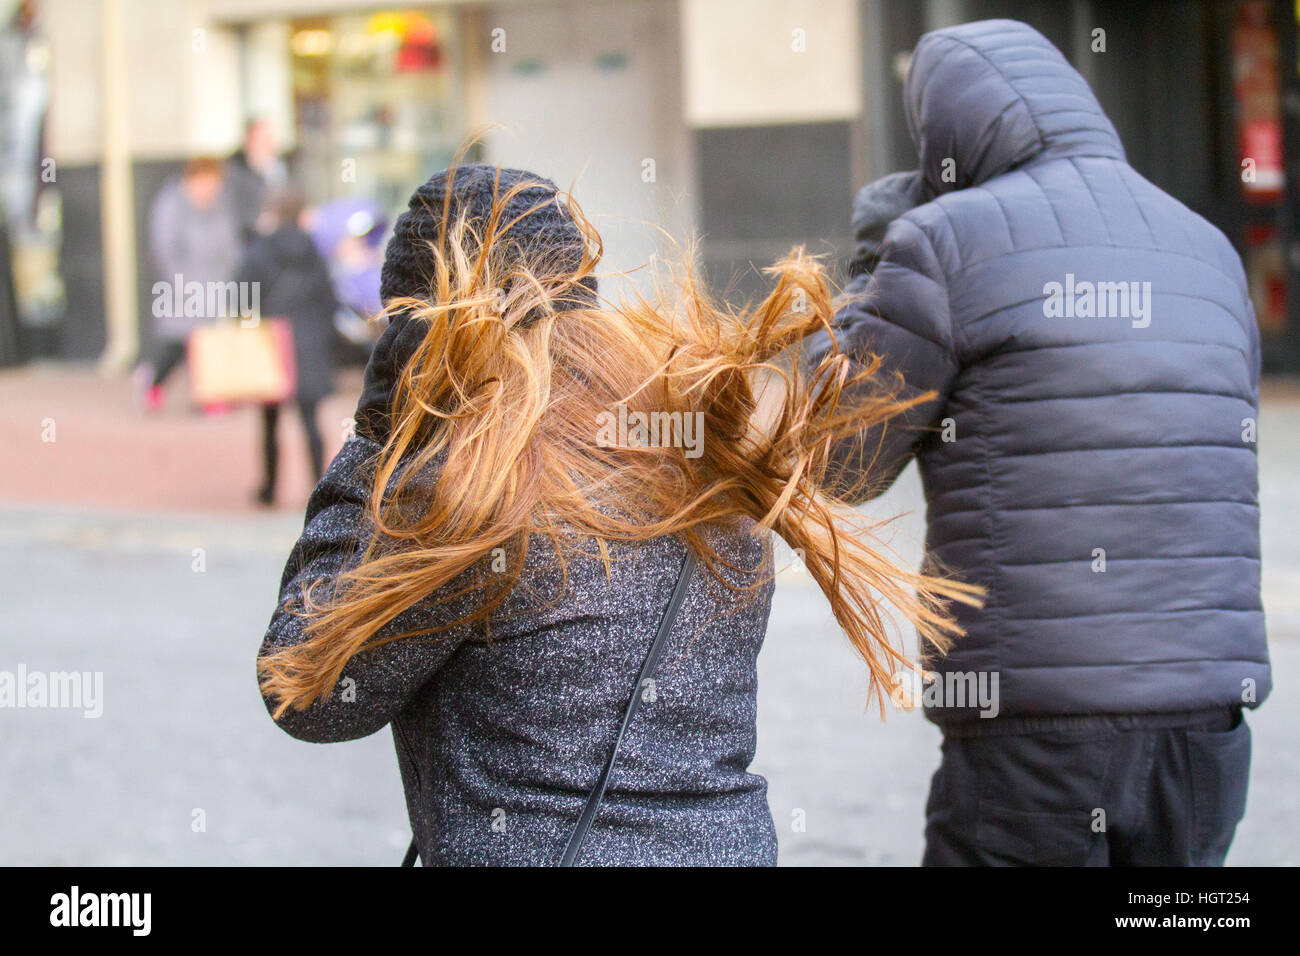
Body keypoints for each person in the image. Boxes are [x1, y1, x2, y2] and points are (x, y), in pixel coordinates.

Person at [255, 162, 978, 866]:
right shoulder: (701, 447)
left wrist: (376, 441)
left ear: (427, 335)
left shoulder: (472, 488)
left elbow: (310, 694)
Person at [806, 19, 1269, 866]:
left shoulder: (945, 243)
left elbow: (842, 458)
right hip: (1208, 722)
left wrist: (867, 280)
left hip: (1036, 728)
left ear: (946, 133)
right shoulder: (1209, 248)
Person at [237, 186, 337, 505]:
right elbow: (330, 301)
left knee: (269, 422)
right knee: (311, 421)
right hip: (308, 343)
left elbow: (242, 297)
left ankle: (269, 489)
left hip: (271, 343)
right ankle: (319, 488)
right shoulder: (314, 251)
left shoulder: (260, 249)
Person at [137, 156, 240, 409]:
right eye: (207, 182)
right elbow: (165, 248)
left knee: (209, 343)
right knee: (178, 342)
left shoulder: (221, 206)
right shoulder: (171, 204)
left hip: (215, 284)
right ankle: (154, 383)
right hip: (183, 286)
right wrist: (181, 285)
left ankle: (209, 395)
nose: (211, 189)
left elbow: (231, 245)